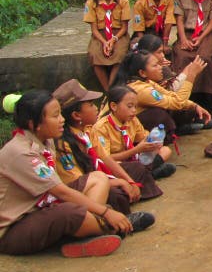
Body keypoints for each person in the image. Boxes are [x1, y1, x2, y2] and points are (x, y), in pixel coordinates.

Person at [0, 91, 153, 257]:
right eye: (55, 116)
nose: (62, 120)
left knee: (98, 178)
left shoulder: (46, 140)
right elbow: (61, 192)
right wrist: (106, 212)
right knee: (68, 212)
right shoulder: (22, 152)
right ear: (33, 124)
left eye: (60, 114)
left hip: (43, 209)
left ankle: (85, 235)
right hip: (14, 229)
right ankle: (115, 226)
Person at [53, 80, 162, 216]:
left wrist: (129, 181)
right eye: (91, 105)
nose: (96, 108)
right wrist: (117, 182)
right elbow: (79, 183)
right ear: (76, 115)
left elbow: (105, 158)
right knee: (115, 194)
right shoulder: (63, 145)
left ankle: (130, 197)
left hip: (99, 176)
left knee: (135, 169)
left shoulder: (87, 131)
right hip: (83, 187)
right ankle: (113, 220)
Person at [93, 86, 176, 180]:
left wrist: (154, 142)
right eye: (129, 106)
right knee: (123, 166)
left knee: (165, 150)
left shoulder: (133, 120)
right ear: (114, 106)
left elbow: (143, 137)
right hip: (117, 163)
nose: (134, 110)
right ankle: (149, 174)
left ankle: (145, 173)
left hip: (133, 158)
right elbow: (106, 159)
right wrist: (136, 150)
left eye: (135, 106)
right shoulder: (101, 128)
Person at [83, 0, 131, 91]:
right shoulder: (91, 3)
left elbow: (124, 27)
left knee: (120, 54)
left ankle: (112, 88)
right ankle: (107, 90)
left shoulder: (123, 1)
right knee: (94, 54)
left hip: (119, 34)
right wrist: (105, 42)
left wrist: (113, 40)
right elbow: (94, 29)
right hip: (100, 35)